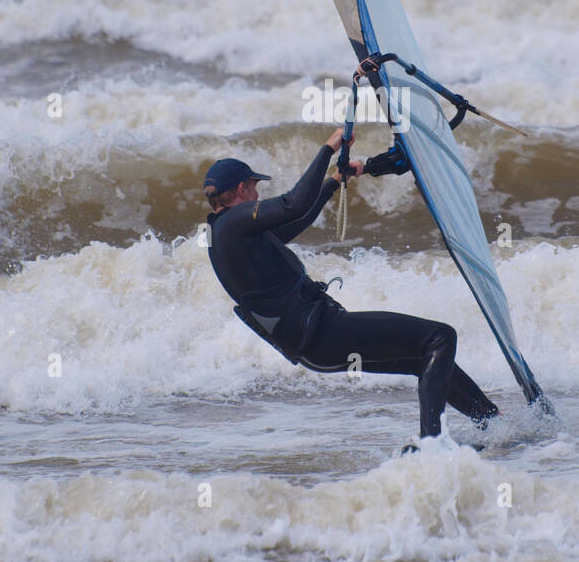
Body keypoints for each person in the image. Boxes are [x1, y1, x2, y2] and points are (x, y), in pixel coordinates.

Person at [203, 129, 500, 443]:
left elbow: (296, 221)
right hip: (322, 333)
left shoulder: (228, 236)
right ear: (242, 188)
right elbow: (293, 204)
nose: (257, 194)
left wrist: (334, 181)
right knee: (440, 337)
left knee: (421, 358)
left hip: (314, 344)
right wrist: (329, 147)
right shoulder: (234, 222)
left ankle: (492, 421)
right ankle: (432, 444)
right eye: (254, 187)